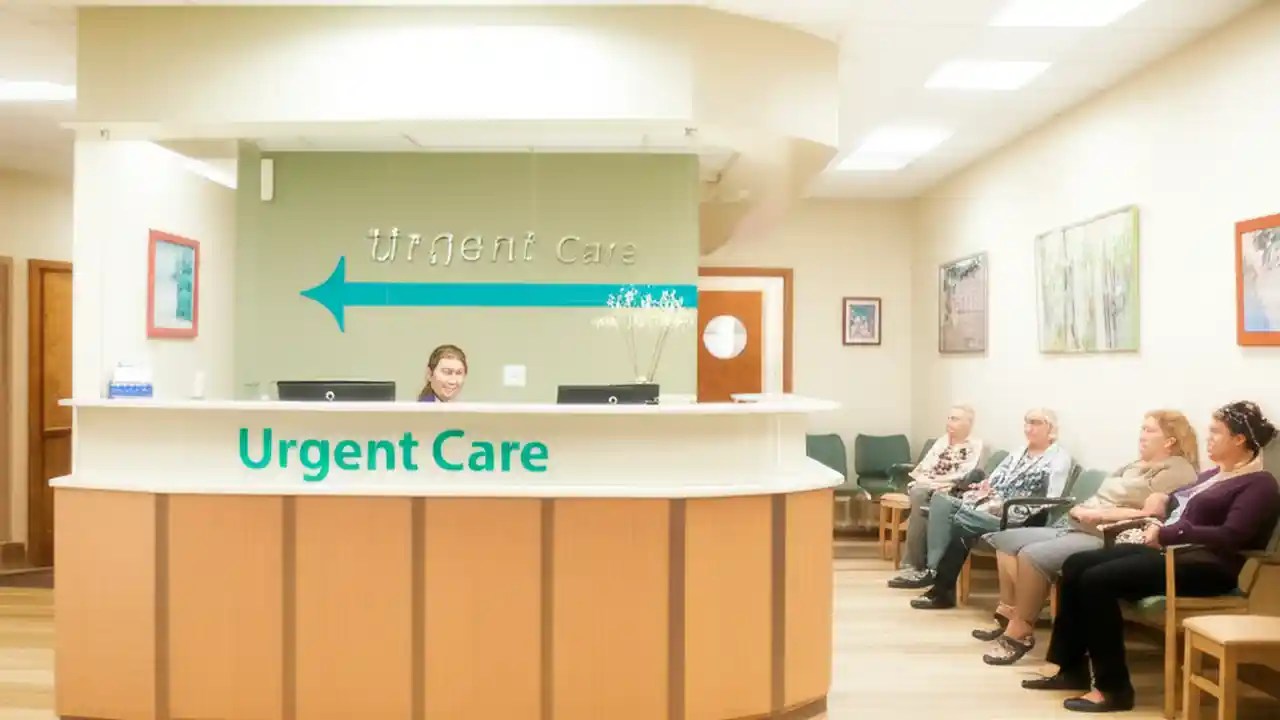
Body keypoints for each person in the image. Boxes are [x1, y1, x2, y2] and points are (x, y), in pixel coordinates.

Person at [1024, 401, 1279, 713]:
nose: (1207, 438)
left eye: (1215, 432)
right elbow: (1183, 502)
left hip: (1205, 566)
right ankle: (1071, 667)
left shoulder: (1260, 484)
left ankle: (1113, 688)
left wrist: (1171, 534)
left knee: (1096, 581)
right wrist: (1164, 497)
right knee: (1075, 565)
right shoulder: (1215, 475)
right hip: (1172, 555)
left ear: (1239, 439)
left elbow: (1232, 535)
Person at [973, 410, 1200, 665]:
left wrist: (1098, 515)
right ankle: (1011, 611)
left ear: (1170, 441)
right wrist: (1083, 510)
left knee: (1032, 556)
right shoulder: (1135, 465)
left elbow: (1149, 513)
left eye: (1150, 430)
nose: (1142, 435)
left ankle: (1020, 631)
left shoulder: (1178, 470)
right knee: (1006, 540)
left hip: (1105, 534)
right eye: (1142, 429)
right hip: (1079, 523)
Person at [900, 408, 1074, 600]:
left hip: (1017, 517)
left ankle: (936, 579)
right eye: (1026, 423)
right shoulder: (1018, 453)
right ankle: (938, 581)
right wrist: (984, 486)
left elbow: (1052, 499)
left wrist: (1007, 503)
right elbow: (995, 479)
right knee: (943, 504)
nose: (1028, 428)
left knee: (956, 520)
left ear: (1050, 428)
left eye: (1035, 423)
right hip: (991, 507)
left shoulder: (1058, 458)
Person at [887, 405, 985, 588]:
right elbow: (924, 467)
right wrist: (923, 481)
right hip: (928, 486)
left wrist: (934, 484)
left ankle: (915, 566)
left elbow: (964, 474)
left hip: (952, 490)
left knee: (921, 499)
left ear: (969, 423)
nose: (949, 423)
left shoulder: (975, 445)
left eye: (955, 419)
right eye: (949, 418)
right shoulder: (942, 441)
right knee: (919, 495)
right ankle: (916, 566)